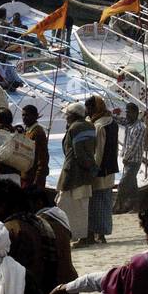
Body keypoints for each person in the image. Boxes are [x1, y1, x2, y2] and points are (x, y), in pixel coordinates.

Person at [56, 102, 95, 243]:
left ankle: (73, 235)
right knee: (81, 206)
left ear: (73, 115)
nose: (66, 117)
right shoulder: (90, 126)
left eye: (67, 115)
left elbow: (78, 153)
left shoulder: (75, 128)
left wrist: (84, 166)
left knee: (63, 204)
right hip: (85, 173)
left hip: (73, 172)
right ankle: (81, 235)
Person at [85, 96, 118, 243]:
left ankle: (94, 234)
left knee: (95, 204)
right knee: (105, 202)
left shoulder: (98, 126)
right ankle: (102, 234)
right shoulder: (112, 122)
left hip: (100, 171)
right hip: (110, 169)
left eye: (89, 108)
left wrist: (93, 170)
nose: (88, 112)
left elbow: (98, 152)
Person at [115, 101, 146, 214]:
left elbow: (134, 146)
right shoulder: (129, 124)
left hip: (134, 160)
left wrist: (126, 157)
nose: (127, 115)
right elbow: (120, 120)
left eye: (129, 113)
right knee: (133, 185)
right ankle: (136, 207)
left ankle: (118, 206)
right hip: (127, 160)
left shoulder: (140, 127)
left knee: (123, 184)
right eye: (126, 112)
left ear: (136, 113)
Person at [20, 104, 49, 190]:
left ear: (35, 116)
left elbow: (43, 157)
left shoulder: (38, 132)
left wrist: (37, 180)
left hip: (32, 179)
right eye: (23, 115)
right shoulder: (28, 130)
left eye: (27, 115)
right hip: (26, 176)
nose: (24, 118)